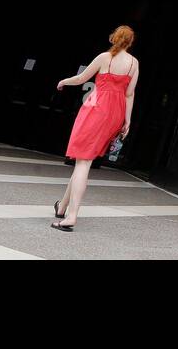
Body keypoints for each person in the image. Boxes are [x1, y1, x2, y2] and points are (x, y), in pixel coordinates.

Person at [52, 25, 139, 231]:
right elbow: (129, 94)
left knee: (83, 163)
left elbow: (82, 78)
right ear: (130, 42)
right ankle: (62, 206)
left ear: (114, 38)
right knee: (85, 158)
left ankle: (71, 217)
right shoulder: (134, 63)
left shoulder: (104, 57)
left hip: (97, 109)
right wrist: (128, 120)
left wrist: (63, 81)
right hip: (116, 113)